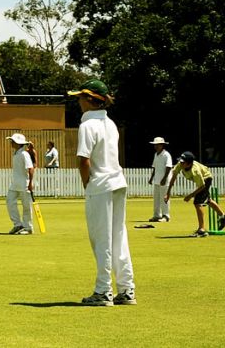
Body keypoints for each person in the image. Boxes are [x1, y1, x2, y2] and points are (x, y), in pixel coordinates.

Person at [70, 79, 135, 306]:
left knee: (102, 240)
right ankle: (126, 289)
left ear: (90, 99)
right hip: (117, 181)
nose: (78, 101)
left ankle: (102, 291)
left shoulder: (87, 125)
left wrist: (87, 185)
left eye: (80, 97)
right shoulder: (110, 124)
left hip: (99, 185)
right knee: (118, 236)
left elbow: (84, 160)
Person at [166, 151, 225, 237]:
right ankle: (223, 216)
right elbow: (173, 178)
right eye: (180, 161)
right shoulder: (179, 165)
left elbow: (202, 186)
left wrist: (190, 195)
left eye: (183, 162)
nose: (180, 163)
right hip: (202, 182)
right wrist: (168, 193)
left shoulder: (195, 171)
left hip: (206, 179)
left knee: (197, 202)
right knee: (207, 200)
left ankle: (202, 230)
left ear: (189, 164)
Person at [6, 133, 35, 235]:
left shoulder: (24, 154)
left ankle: (28, 228)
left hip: (24, 184)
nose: (11, 143)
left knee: (26, 206)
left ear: (18, 143)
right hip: (15, 184)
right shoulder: (17, 153)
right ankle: (18, 224)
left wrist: (31, 183)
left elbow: (31, 169)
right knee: (10, 202)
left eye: (13, 141)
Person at [148, 137, 172, 223]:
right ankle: (156, 215)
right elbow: (154, 167)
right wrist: (151, 178)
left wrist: (164, 178)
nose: (156, 146)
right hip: (157, 180)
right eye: (155, 145)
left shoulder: (166, 154)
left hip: (164, 181)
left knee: (164, 198)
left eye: (158, 145)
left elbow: (169, 167)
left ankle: (166, 216)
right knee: (156, 199)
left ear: (162, 145)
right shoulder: (156, 154)